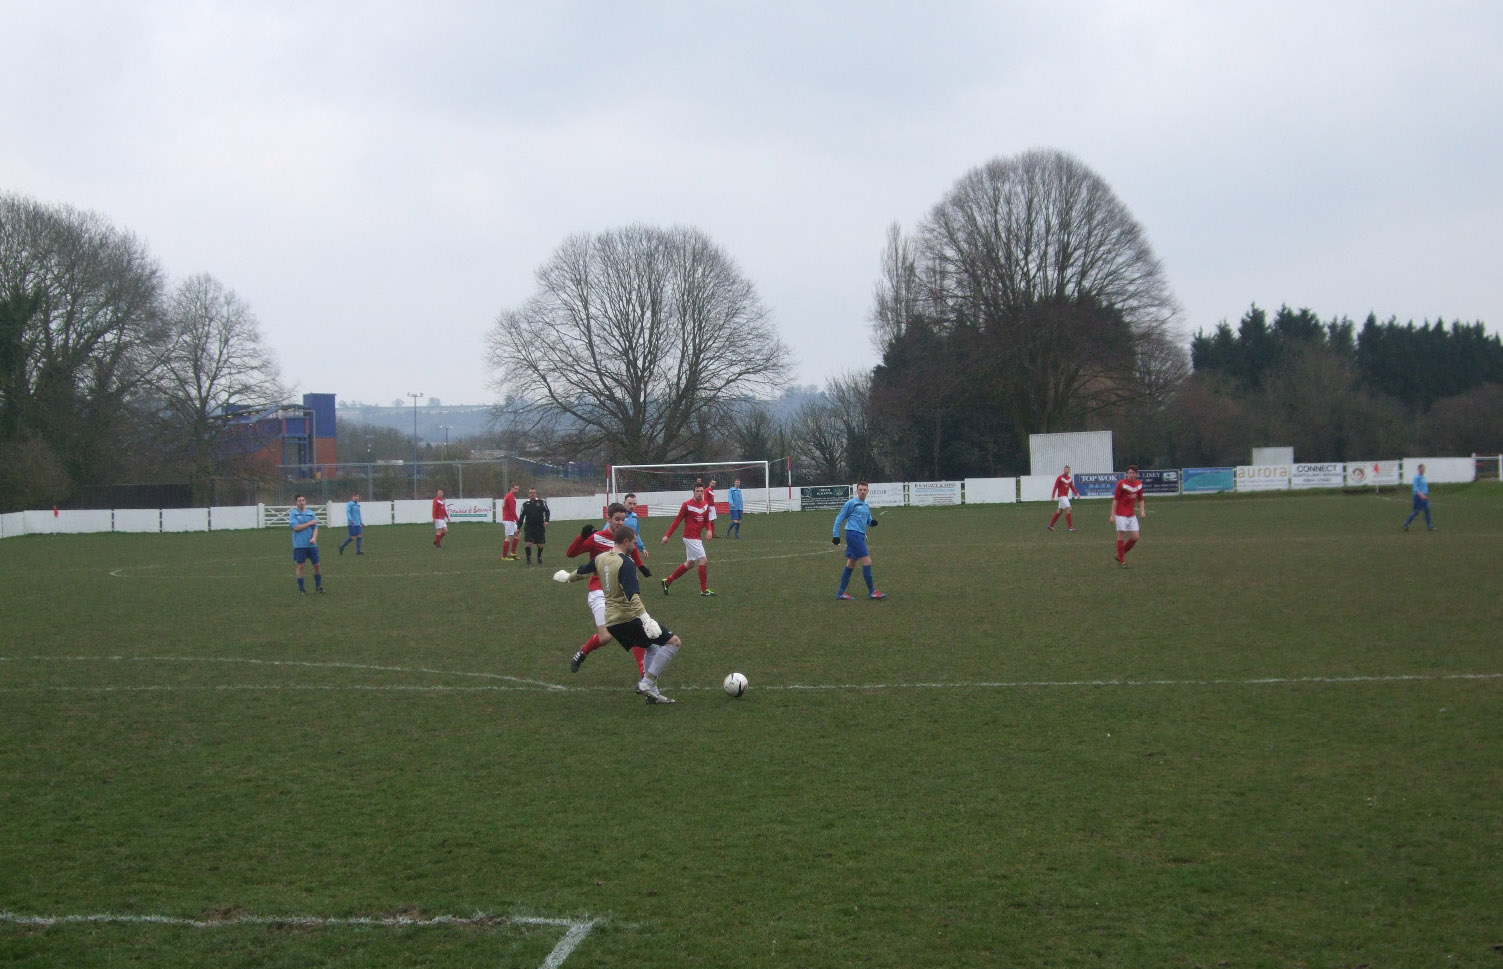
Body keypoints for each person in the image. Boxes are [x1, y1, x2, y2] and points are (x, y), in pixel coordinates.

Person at [557, 524, 682, 704]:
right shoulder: (626, 562)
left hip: (613, 622)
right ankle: (647, 682)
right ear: (625, 542)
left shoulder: (601, 558)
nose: (635, 547)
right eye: (634, 543)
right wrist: (646, 620)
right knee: (674, 643)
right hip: (629, 617)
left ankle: (652, 693)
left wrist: (567, 578)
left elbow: (583, 571)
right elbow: (632, 595)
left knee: (651, 647)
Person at [566, 503, 651, 677]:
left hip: (621, 592)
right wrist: (581, 537)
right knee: (605, 638)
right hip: (599, 591)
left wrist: (641, 567)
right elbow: (571, 553)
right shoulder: (597, 538)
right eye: (617, 519)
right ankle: (583, 652)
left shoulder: (626, 536)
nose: (620, 523)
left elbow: (632, 551)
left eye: (623, 519)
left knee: (634, 629)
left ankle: (644, 675)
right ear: (609, 519)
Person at [661, 482, 716, 596]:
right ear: (694, 492)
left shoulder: (705, 504)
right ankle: (704, 590)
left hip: (697, 538)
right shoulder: (687, 505)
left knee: (690, 564)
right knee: (703, 560)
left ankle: (667, 582)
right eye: (697, 491)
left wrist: (709, 530)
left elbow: (707, 520)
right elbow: (677, 520)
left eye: (701, 491)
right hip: (690, 537)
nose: (699, 493)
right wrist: (667, 536)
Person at [833, 481, 885, 600]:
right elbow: (839, 518)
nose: (862, 492)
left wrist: (872, 522)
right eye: (860, 489)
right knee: (867, 561)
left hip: (860, 535)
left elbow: (868, 520)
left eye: (864, 489)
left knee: (851, 563)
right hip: (853, 534)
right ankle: (872, 591)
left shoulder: (866, 505)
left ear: (868, 491)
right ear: (857, 491)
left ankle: (841, 593)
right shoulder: (851, 503)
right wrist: (836, 535)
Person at [1111, 466, 1146, 568]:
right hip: (1121, 514)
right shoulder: (1121, 484)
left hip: (1131, 514)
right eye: (1129, 473)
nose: (1130, 474)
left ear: (1136, 474)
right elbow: (1116, 500)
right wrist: (1112, 515)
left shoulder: (1139, 484)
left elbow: (1141, 499)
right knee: (1121, 535)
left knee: (1136, 537)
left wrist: (1142, 511)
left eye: (1133, 473)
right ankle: (1122, 561)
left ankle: (1120, 555)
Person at [289, 493, 323, 594]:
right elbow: (296, 527)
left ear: (305, 501)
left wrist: (314, 538)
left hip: (312, 545)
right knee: (301, 566)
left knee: (317, 565)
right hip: (299, 545)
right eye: (299, 500)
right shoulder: (293, 514)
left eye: (303, 500)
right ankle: (301, 589)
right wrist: (309, 523)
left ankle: (318, 586)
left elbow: (315, 528)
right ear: (296, 502)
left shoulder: (311, 513)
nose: (301, 502)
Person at [518, 487, 552, 564]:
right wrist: (518, 527)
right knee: (528, 544)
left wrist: (547, 520)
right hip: (529, 527)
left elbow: (547, 511)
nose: (532, 494)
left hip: (539, 527)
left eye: (533, 492)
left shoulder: (541, 502)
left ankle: (539, 555)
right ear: (528, 494)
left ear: (536, 494)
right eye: (530, 493)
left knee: (540, 545)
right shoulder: (525, 504)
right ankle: (528, 559)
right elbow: (521, 517)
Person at [1403, 463, 1435, 531]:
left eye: (1424, 469)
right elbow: (1416, 488)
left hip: (1424, 497)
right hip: (1419, 497)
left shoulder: (1423, 477)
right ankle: (1406, 524)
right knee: (1416, 512)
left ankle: (1430, 526)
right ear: (1419, 470)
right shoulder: (1417, 477)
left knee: (1427, 510)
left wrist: (1425, 494)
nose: (1423, 470)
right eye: (1422, 469)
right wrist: (1421, 495)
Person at [1047, 466, 1080, 532]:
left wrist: (1077, 493)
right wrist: (1053, 496)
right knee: (1069, 508)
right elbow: (1055, 487)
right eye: (1066, 470)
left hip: (1065, 496)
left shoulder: (1070, 478)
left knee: (1060, 511)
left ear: (1069, 471)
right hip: (1061, 496)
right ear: (1063, 470)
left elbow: (1072, 487)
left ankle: (1050, 525)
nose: (1067, 471)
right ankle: (1070, 527)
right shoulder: (1060, 477)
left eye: (1068, 470)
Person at [622, 493, 648, 561]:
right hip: (618, 549)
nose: (632, 506)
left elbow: (636, 534)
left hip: (631, 549)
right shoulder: (618, 516)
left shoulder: (635, 516)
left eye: (634, 504)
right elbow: (607, 530)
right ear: (624, 503)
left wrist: (642, 548)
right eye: (630, 503)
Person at [500, 484, 520, 560]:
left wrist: (503, 518)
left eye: (518, 489)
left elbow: (503, 506)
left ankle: (513, 553)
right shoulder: (510, 496)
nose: (517, 490)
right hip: (509, 520)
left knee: (518, 533)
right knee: (508, 538)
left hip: (509, 520)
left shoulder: (508, 496)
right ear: (511, 488)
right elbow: (512, 511)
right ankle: (504, 556)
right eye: (515, 488)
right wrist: (519, 521)